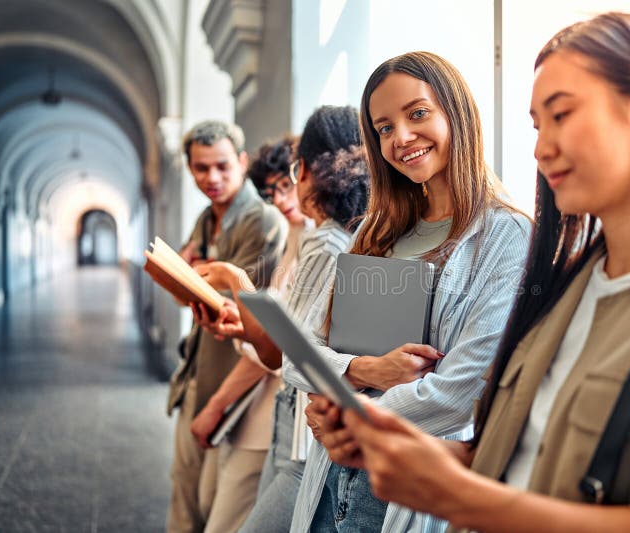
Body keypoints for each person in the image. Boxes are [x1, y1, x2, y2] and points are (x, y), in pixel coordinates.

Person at [331, 13, 630, 533]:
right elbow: (521, 461)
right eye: (536, 124)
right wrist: (383, 432)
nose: (541, 147)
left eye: (563, 115)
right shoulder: (569, 282)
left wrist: (457, 493)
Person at [284, 52, 532, 533]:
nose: (400, 138)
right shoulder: (374, 234)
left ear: (455, 112)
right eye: (383, 128)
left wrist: (345, 414)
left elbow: (457, 394)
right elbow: (296, 357)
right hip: (330, 482)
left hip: (404, 495)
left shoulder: (506, 236)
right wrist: (361, 370)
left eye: (417, 113)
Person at [192, 106, 370, 533]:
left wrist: (237, 282)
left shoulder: (326, 240)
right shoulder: (351, 236)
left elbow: (283, 355)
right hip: (294, 429)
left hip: (303, 442)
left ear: (305, 170)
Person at [181, 135, 311, 533]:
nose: (282, 199)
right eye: (272, 190)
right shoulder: (294, 236)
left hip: (280, 408)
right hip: (267, 408)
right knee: (209, 502)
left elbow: (283, 344)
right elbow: (271, 331)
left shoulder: (318, 240)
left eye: (287, 185)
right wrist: (245, 323)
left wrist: (217, 403)